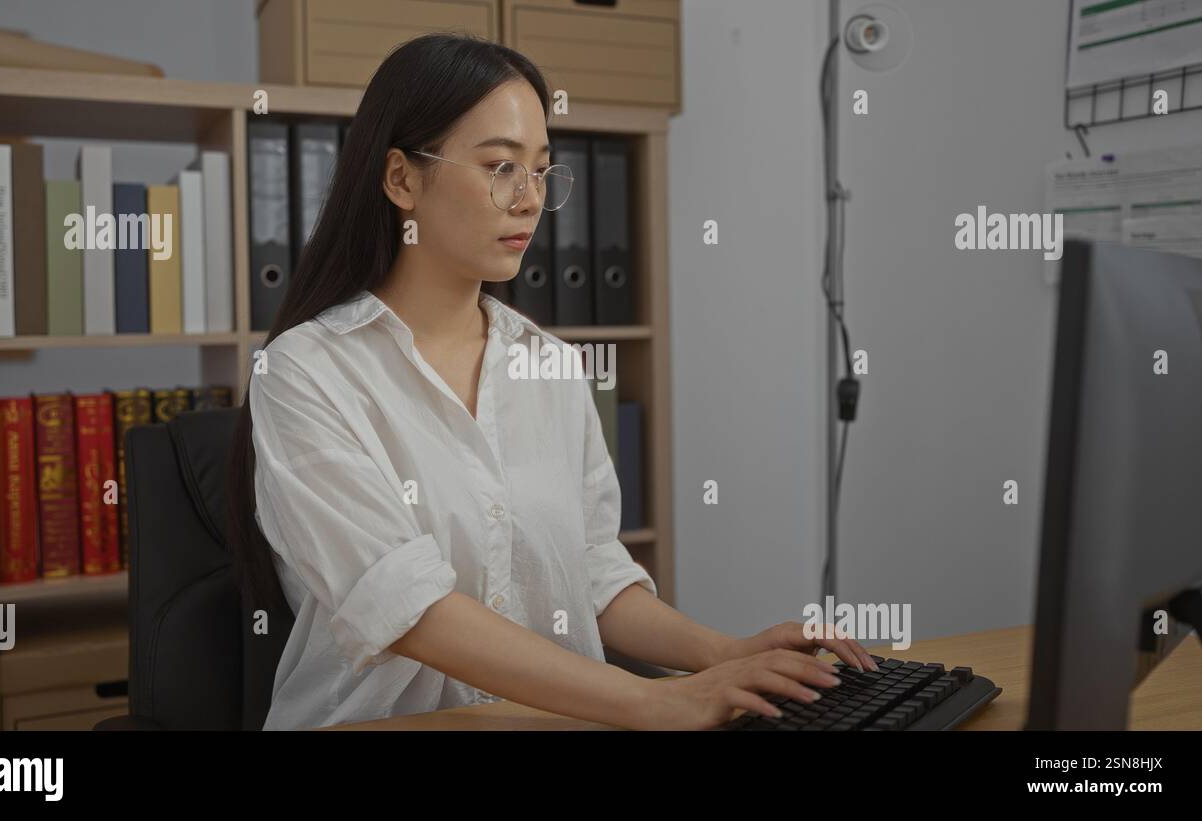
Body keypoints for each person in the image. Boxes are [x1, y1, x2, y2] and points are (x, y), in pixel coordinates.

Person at [226, 32, 875, 730]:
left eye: (541, 172)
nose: (531, 199)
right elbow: (406, 607)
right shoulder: (305, 372)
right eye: (502, 167)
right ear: (401, 179)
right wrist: (654, 700)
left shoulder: (551, 365)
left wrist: (721, 653)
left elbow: (592, 571)